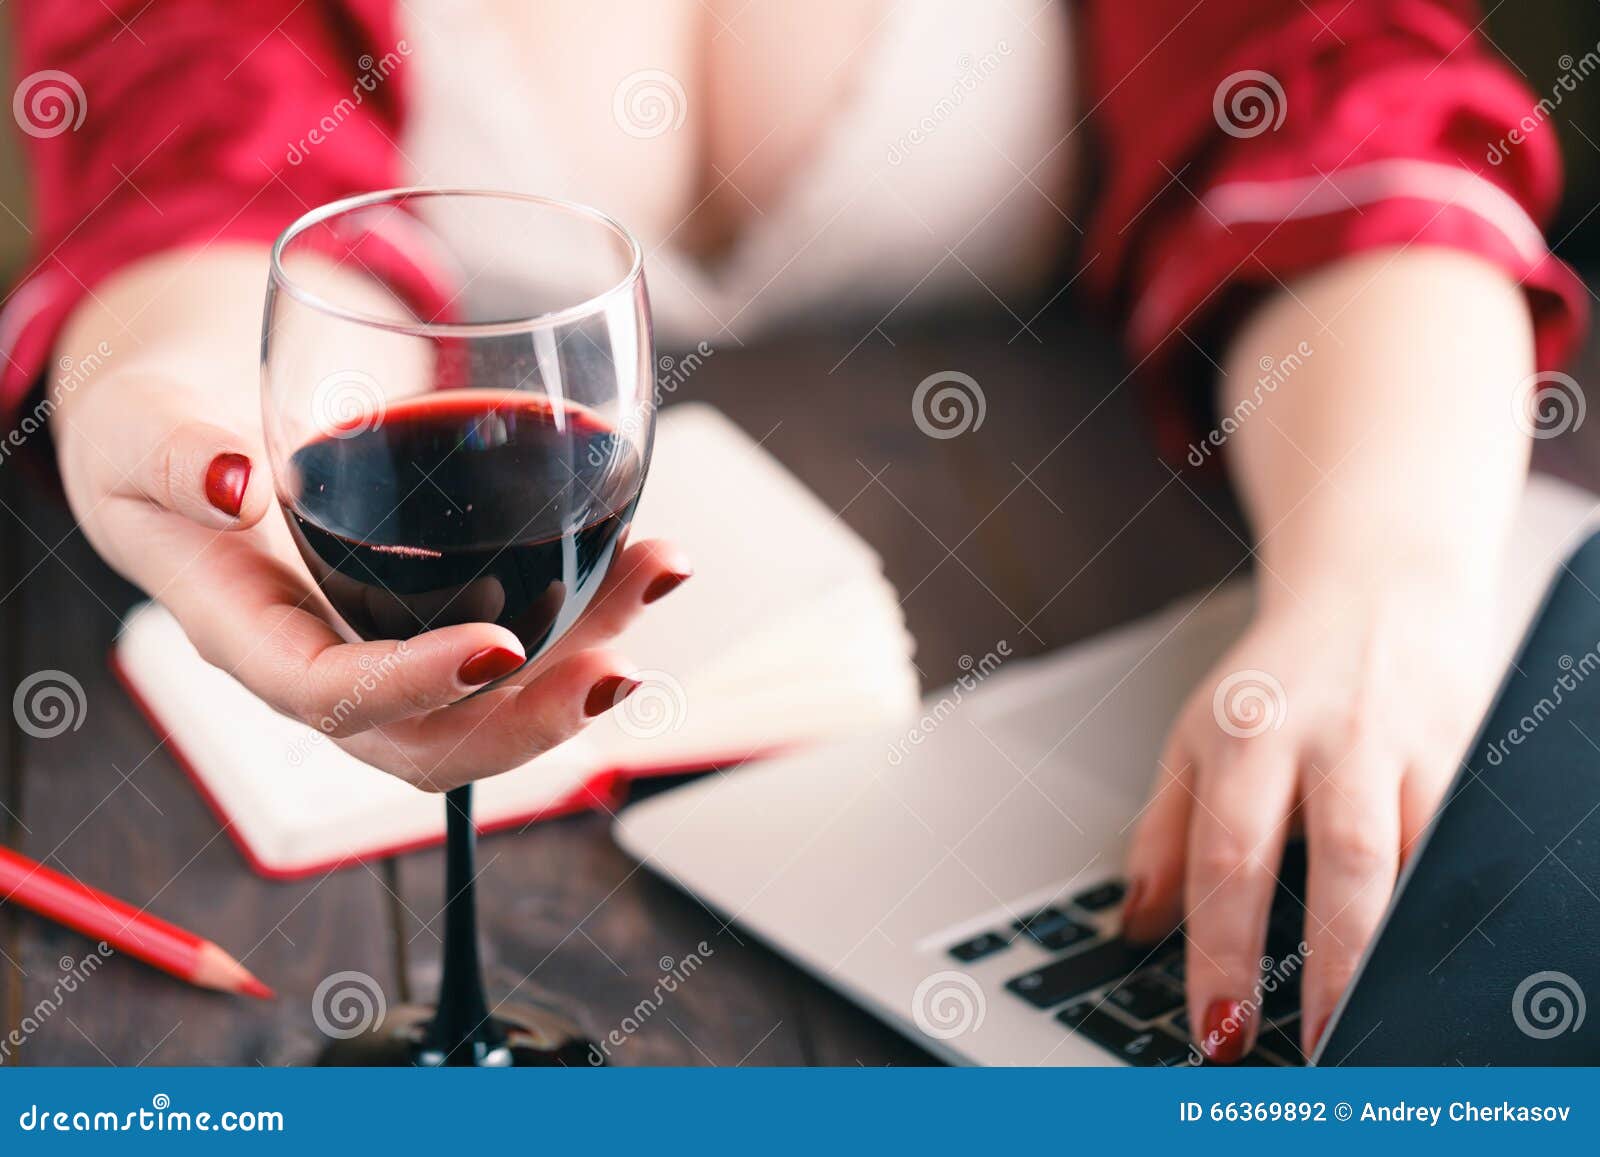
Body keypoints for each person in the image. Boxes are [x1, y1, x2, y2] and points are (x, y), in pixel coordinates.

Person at [3, 0, 1586, 1064]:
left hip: (1049, 630)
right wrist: (188, 414)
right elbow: (201, 168)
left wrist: (1384, 584)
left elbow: (1345, 107)